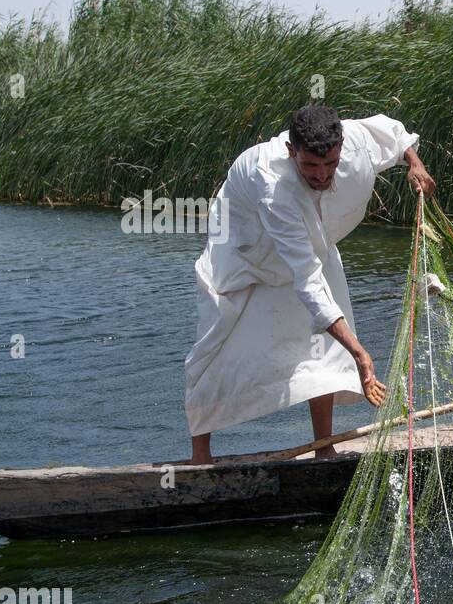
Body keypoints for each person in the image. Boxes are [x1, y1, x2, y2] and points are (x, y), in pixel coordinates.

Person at [183, 104, 435, 465]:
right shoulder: (272, 186)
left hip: (312, 241)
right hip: (244, 248)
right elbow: (307, 280)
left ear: (340, 149)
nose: (321, 175)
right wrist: (361, 355)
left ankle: (324, 446)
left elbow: (391, 132)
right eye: (310, 167)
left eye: (330, 164)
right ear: (291, 152)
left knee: (322, 344)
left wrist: (414, 162)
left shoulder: (355, 144)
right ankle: (200, 457)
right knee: (219, 339)